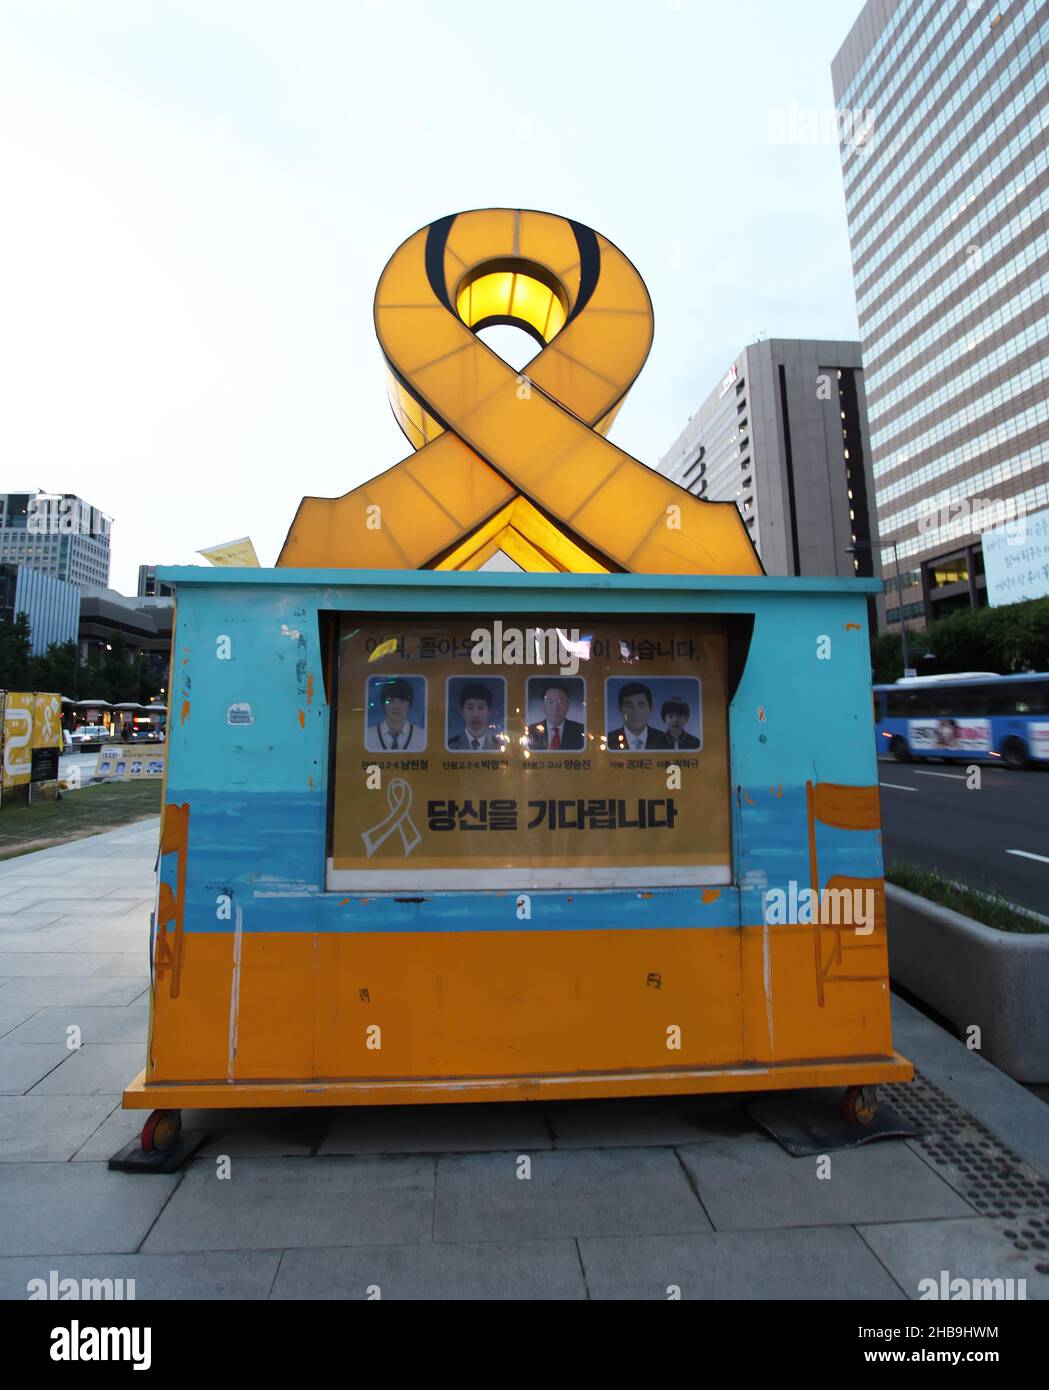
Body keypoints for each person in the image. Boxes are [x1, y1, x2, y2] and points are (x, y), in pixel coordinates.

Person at [606, 681, 670, 750]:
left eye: (641, 705)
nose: (635, 712)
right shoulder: (608, 741)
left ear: (651, 708)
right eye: (629, 706)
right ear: (620, 709)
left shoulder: (666, 741)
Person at [367, 677, 425, 751]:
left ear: (409, 704)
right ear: (383, 704)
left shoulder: (422, 737)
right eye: (390, 701)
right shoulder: (368, 736)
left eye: (402, 701)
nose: (396, 707)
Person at [525, 680, 585, 751]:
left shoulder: (581, 730)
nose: (555, 707)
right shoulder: (530, 731)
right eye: (550, 702)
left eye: (560, 702)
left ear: (568, 705)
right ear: (543, 706)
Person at [448, 682, 503, 751]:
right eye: (470, 708)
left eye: (481, 708)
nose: (475, 714)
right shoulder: (450, 746)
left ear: (489, 711)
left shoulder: (499, 747)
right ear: (462, 711)